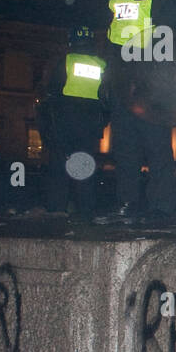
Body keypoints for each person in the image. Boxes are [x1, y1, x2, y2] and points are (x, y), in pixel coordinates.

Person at [103, 0, 176, 221]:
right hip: (124, 80)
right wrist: (108, 77)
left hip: (151, 77)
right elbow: (113, 39)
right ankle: (127, 203)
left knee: (156, 143)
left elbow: (172, 35)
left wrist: (157, 75)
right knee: (124, 145)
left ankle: (161, 206)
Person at [41, 25, 108, 220]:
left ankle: (57, 209)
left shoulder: (66, 61)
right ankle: (86, 210)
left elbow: (53, 90)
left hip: (65, 120)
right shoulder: (101, 65)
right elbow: (107, 96)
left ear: (71, 41)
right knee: (85, 167)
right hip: (90, 123)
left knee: (59, 166)